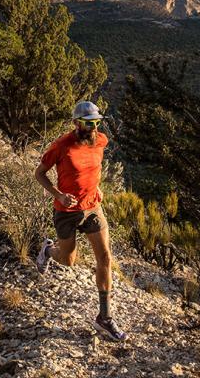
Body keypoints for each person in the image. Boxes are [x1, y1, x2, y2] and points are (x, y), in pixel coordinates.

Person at [34, 101, 128, 342]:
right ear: (76, 123)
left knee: (105, 258)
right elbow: (39, 173)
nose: (93, 126)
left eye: (97, 121)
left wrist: (96, 187)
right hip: (67, 211)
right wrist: (59, 195)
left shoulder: (101, 140)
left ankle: (104, 318)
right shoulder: (61, 146)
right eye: (88, 123)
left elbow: (93, 166)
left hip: (92, 208)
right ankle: (48, 249)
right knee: (68, 260)